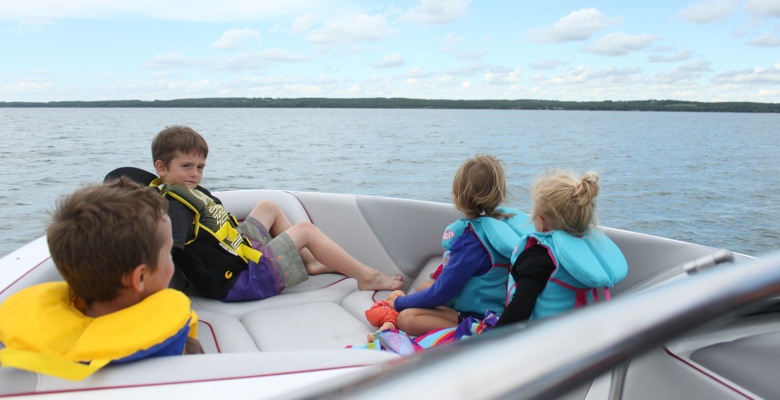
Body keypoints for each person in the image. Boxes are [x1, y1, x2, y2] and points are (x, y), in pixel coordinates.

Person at [149, 125, 402, 301]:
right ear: (161, 167)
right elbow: (169, 252)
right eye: (186, 166)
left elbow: (214, 226)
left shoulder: (189, 191)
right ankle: (368, 277)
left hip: (236, 254)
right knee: (305, 231)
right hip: (239, 282)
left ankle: (312, 263)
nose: (195, 173)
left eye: (200, 166)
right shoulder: (174, 207)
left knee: (269, 206)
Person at [0, 178, 202, 381]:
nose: (171, 259)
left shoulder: (31, 362)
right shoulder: (182, 347)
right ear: (140, 277)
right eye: (168, 254)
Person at [386, 154, 532, 336]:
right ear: (499, 192)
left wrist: (398, 304)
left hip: (482, 317)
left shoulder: (471, 243)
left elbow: (441, 294)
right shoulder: (503, 225)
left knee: (407, 318)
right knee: (424, 286)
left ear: (457, 194)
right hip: (496, 307)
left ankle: (474, 331)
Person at [495, 170, 627, 327]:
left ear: (542, 222)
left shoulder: (537, 258)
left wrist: (489, 340)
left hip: (545, 342)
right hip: (582, 336)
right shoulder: (590, 252)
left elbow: (519, 309)